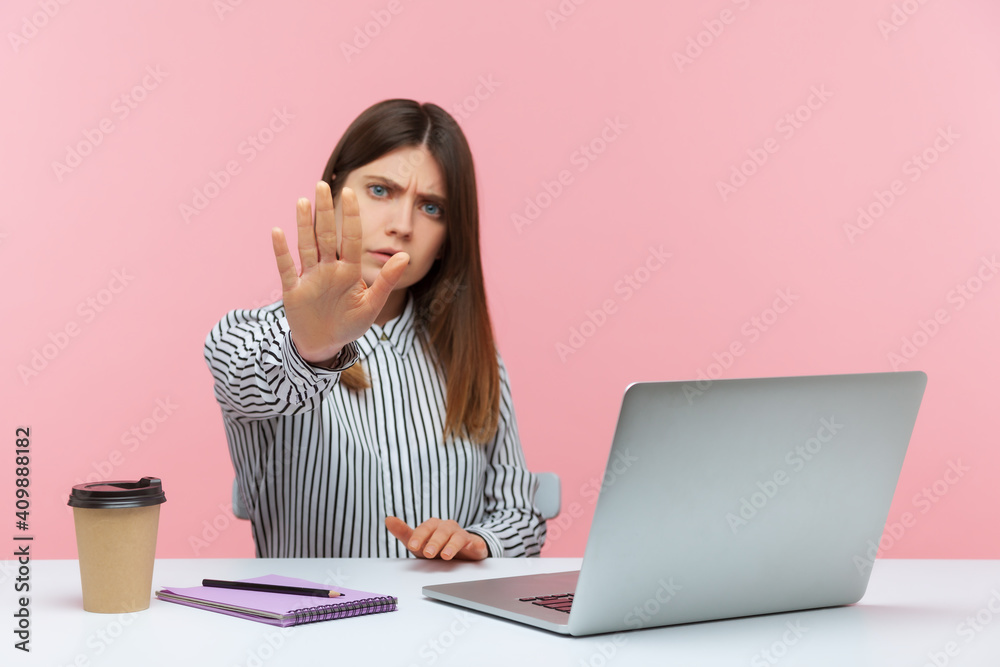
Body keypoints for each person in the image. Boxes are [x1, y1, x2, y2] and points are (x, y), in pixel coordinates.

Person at [204, 99, 546, 560]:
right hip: (318, 626)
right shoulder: (259, 337)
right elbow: (247, 378)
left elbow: (521, 517)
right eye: (381, 191)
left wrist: (479, 542)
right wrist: (315, 347)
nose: (402, 226)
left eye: (431, 207)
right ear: (334, 191)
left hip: (454, 627)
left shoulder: (472, 358)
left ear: (449, 239)